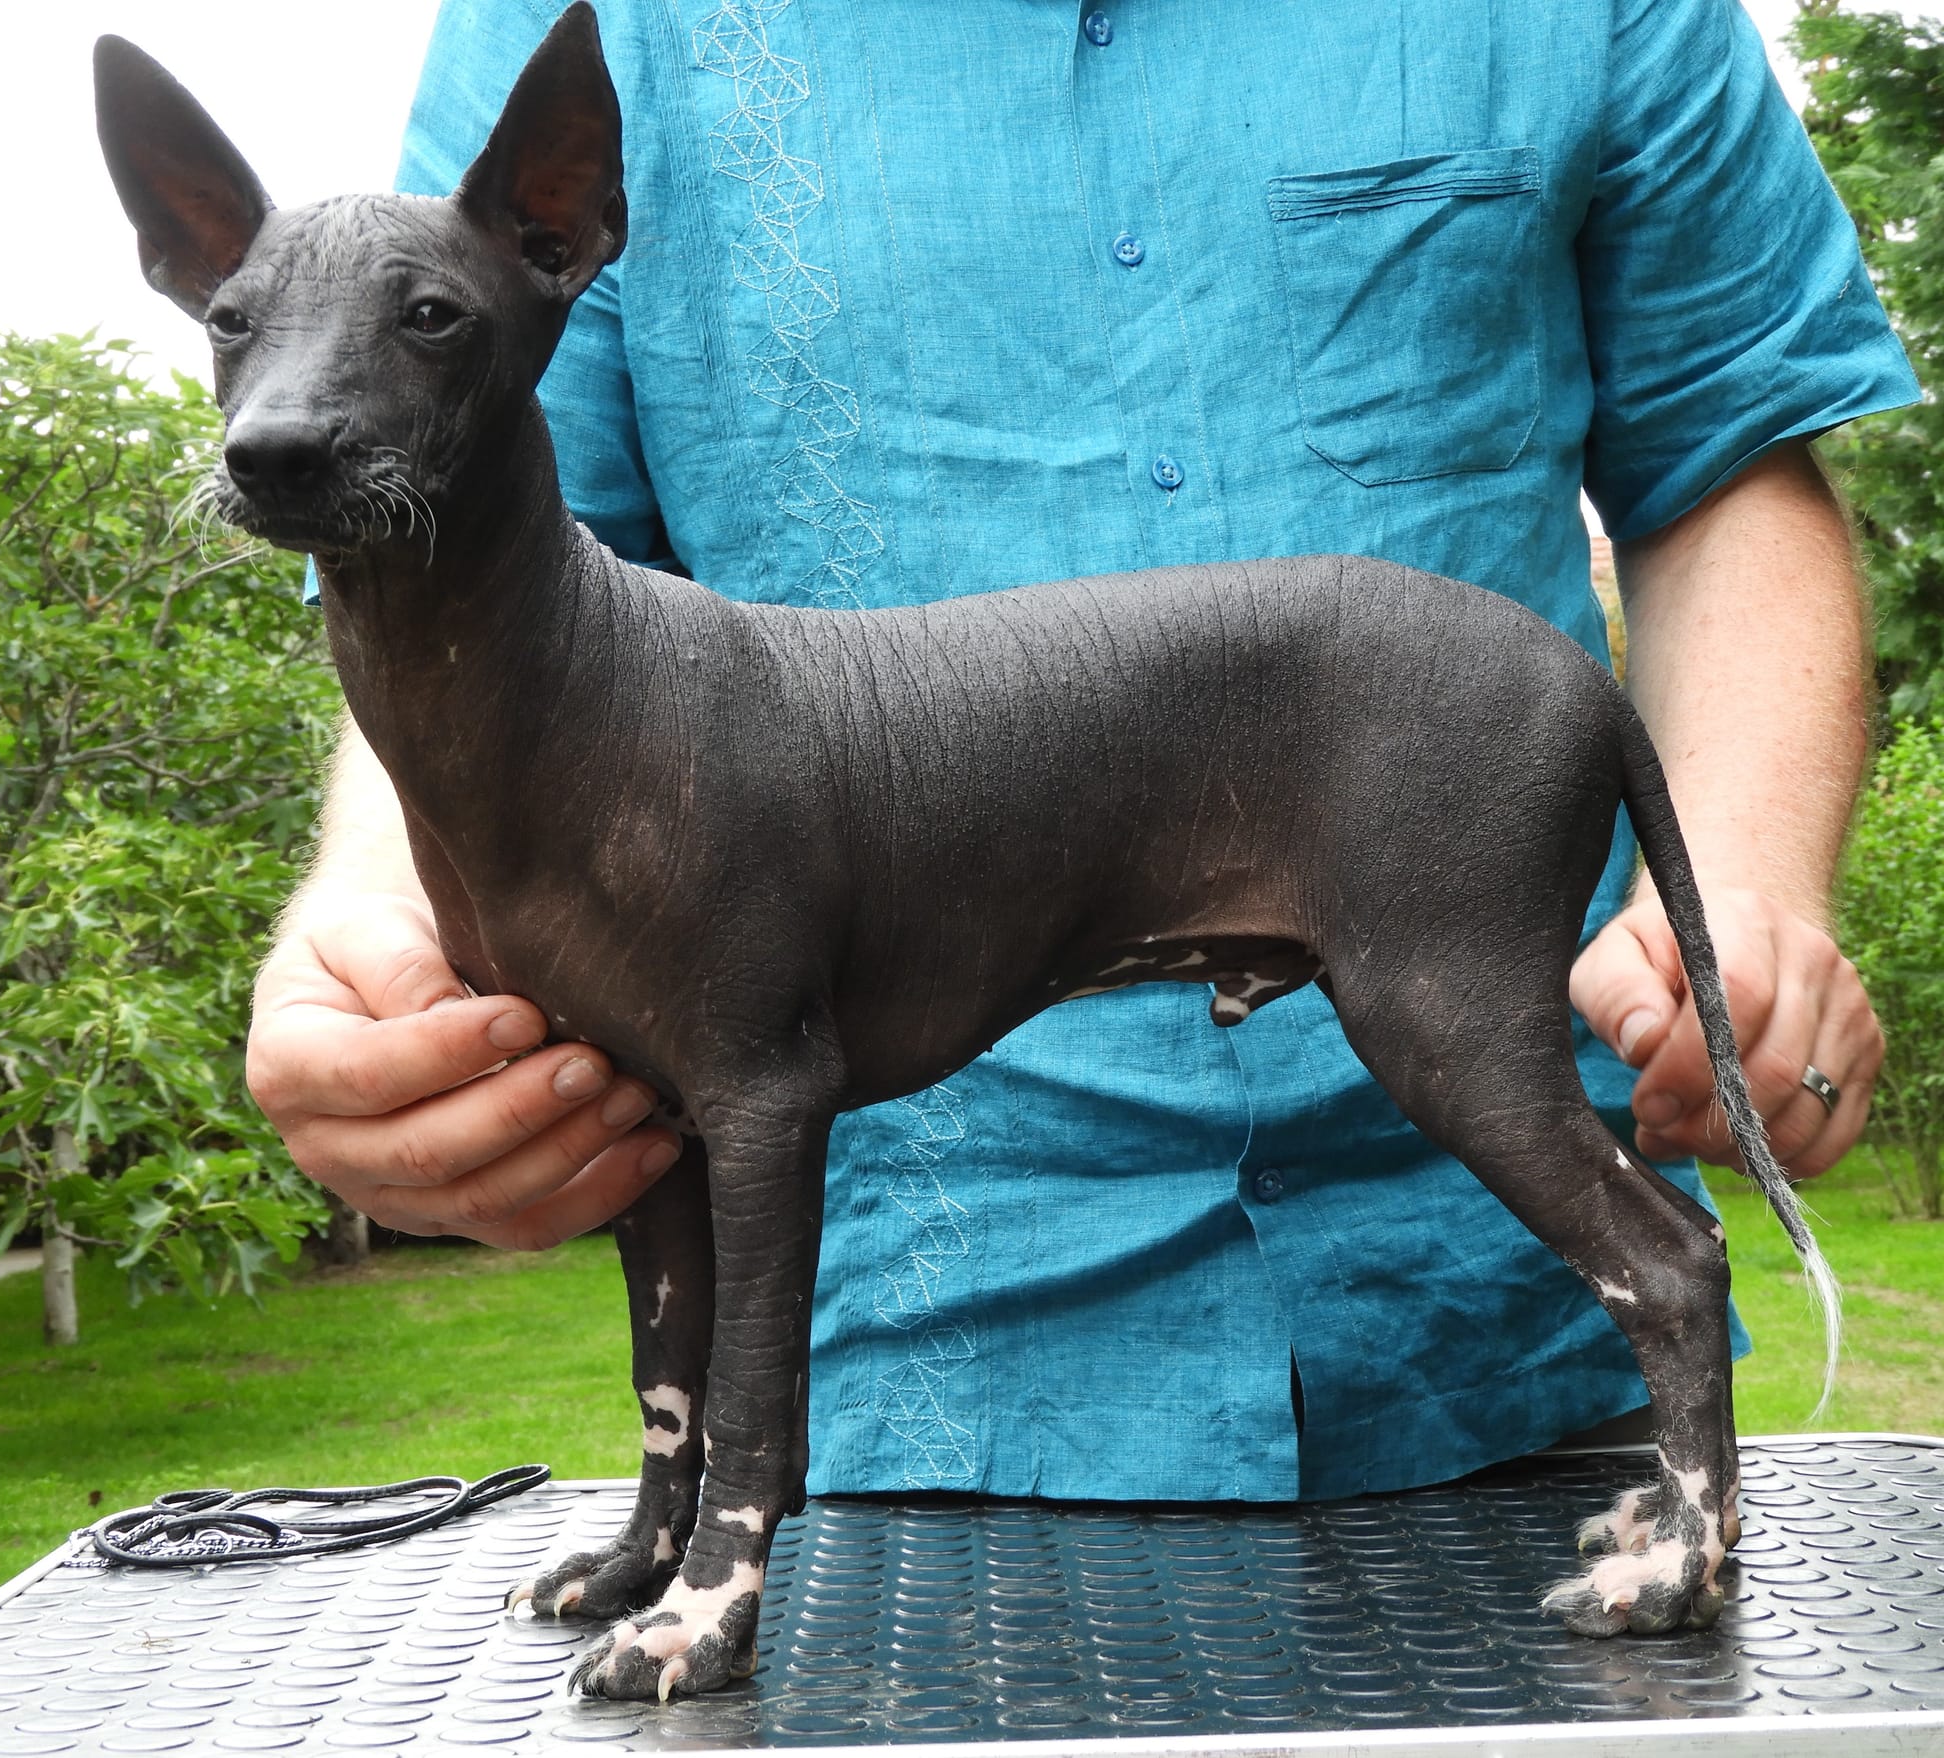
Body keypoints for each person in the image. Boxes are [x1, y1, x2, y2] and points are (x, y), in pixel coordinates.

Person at [249, 0, 1913, 1500]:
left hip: (1498, 1325)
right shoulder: (604, 31)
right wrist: (380, 931)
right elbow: (452, 535)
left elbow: (1724, 458)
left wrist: (1751, 890)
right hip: (909, 1358)